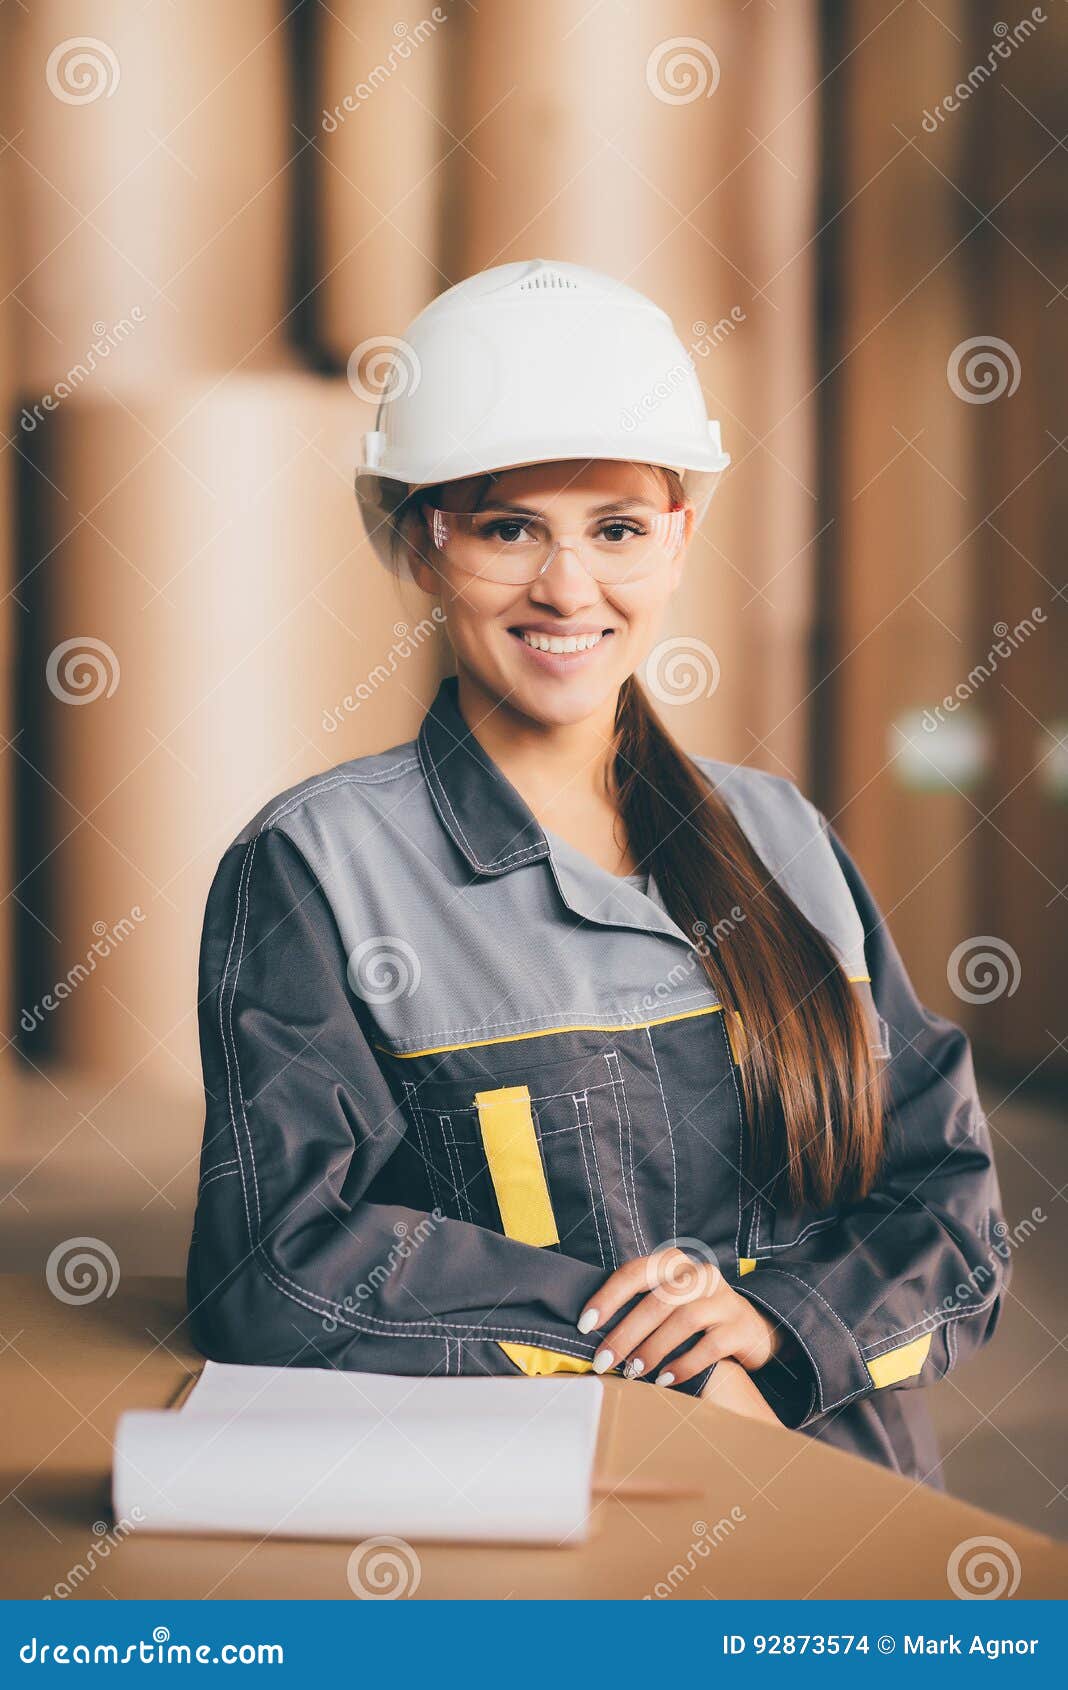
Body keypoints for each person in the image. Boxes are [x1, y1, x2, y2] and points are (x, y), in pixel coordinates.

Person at [186, 259, 1007, 1482]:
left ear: (676, 541)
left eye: (616, 529)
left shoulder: (782, 838)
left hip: (852, 1506)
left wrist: (777, 1324)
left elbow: (955, 1211)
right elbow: (278, 1267)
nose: (568, 586)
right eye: (512, 528)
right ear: (426, 546)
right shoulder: (316, 867)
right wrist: (656, 1352)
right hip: (545, 1528)